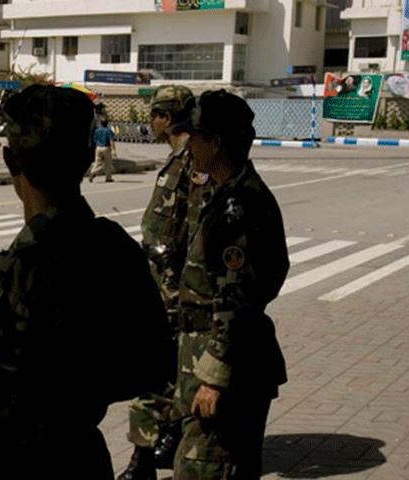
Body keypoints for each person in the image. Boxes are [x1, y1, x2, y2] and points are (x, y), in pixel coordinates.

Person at [0, 84, 174, 480]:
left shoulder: (21, 270)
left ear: (11, 160)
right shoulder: (115, 248)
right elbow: (153, 364)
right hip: (82, 460)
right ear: (84, 158)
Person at [166, 90, 289, 479]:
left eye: (195, 137)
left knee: (203, 469)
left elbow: (238, 298)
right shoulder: (228, 194)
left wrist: (215, 379)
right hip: (218, 360)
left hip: (227, 372)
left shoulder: (240, 208)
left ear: (215, 141)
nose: (188, 145)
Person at [119, 85, 214, 480]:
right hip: (163, 283)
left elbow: (199, 224)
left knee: (156, 374)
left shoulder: (194, 160)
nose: (151, 121)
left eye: (154, 114)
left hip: (176, 290)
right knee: (166, 372)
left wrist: (177, 271)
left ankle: (142, 460)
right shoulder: (179, 157)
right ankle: (166, 440)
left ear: (166, 117)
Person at [89, 117, 116, 182]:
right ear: (107, 123)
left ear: (101, 123)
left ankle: (93, 172)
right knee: (108, 163)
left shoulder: (97, 130)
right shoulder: (108, 130)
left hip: (98, 148)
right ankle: (108, 178)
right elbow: (111, 140)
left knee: (97, 163)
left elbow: (94, 139)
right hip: (106, 147)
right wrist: (113, 149)